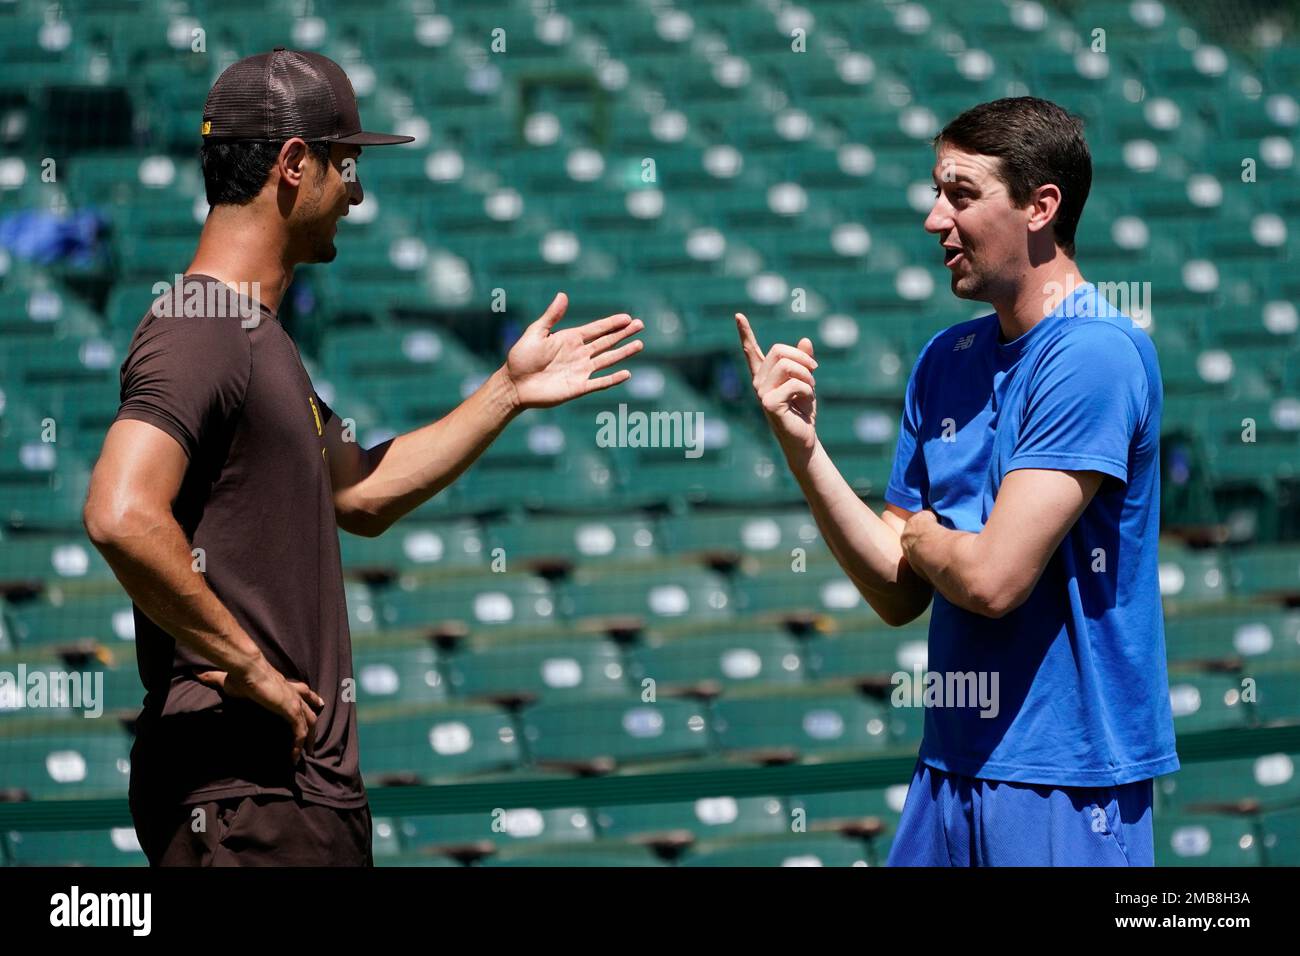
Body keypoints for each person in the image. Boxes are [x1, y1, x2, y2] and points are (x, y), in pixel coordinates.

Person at [82, 48, 643, 866]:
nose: (359, 193)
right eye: (347, 166)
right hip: (249, 800)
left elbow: (361, 492)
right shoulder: (202, 324)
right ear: (293, 164)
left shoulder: (254, 336)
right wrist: (244, 665)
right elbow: (120, 513)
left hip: (286, 800)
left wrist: (506, 393)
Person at [735, 97, 1178, 866]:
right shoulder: (946, 359)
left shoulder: (1093, 357)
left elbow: (993, 579)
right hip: (948, 767)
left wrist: (926, 537)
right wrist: (803, 449)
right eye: (938, 193)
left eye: (961, 195)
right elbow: (897, 589)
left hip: (1065, 786)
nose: (935, 219)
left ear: (1043, 207)